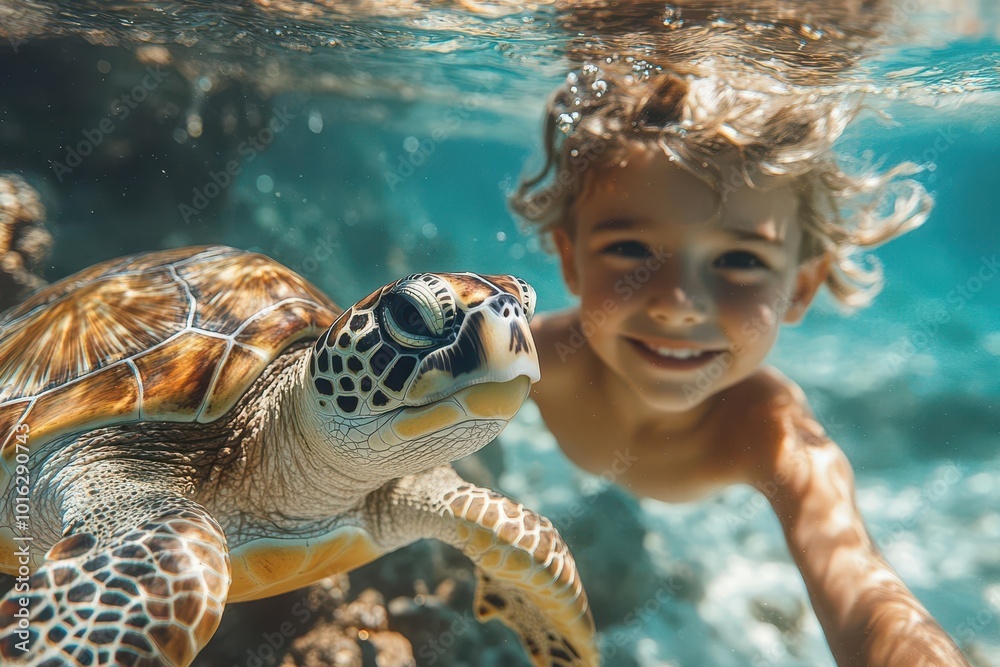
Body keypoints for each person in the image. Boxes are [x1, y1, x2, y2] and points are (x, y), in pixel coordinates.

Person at [509, 65, 970, 666]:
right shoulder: (536, 358)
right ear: (571, 262)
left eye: (739, 260)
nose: (677, 304)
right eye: (631, 250)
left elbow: (861, 589)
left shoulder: (771, 434)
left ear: (801, 288)